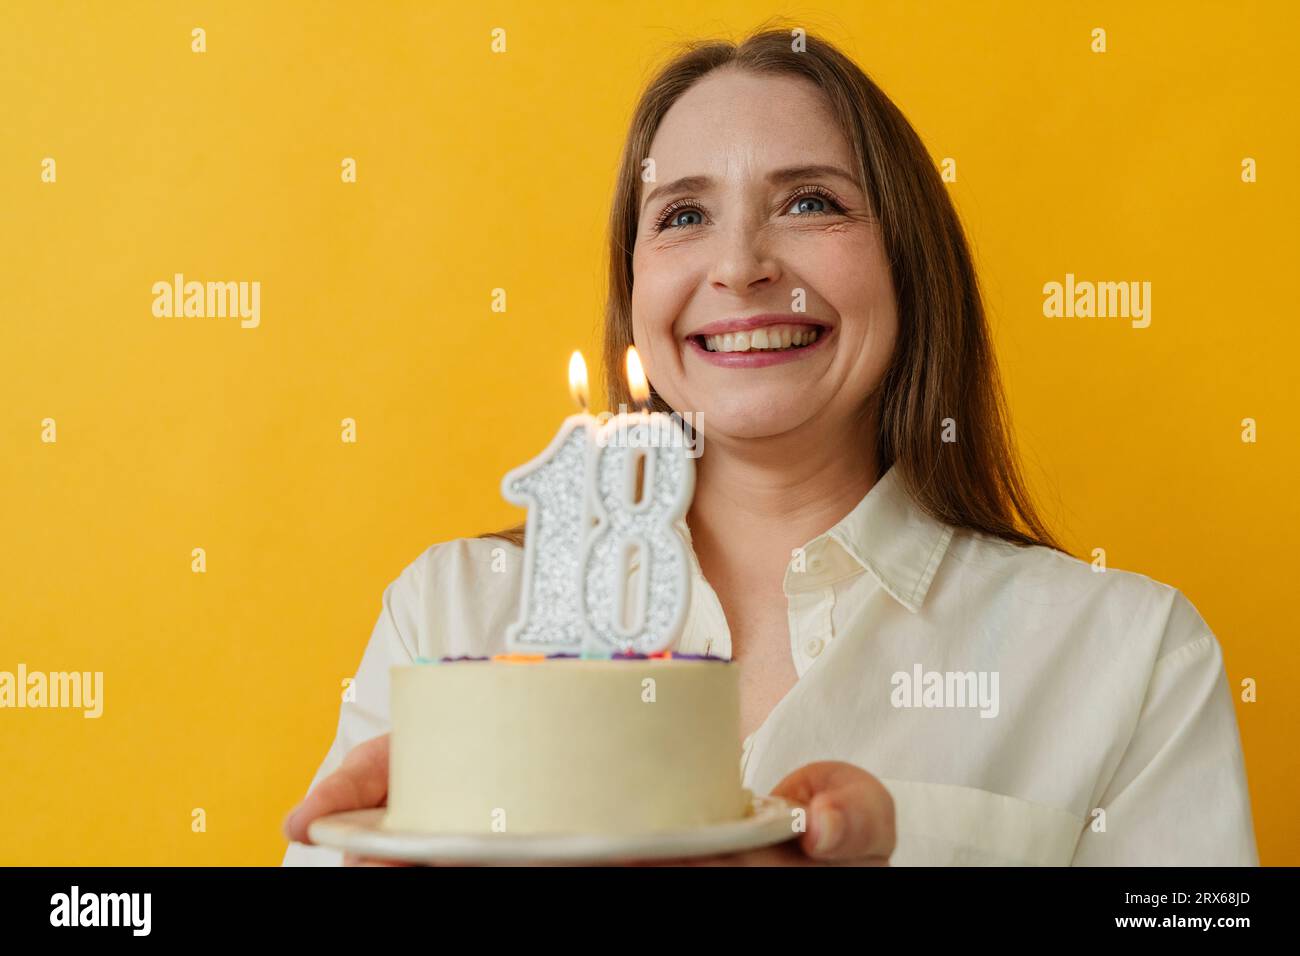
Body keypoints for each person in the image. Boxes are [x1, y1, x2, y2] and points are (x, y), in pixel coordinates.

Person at [282, 27, 1257, 866]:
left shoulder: (1128, 655)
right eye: (683, 215)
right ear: (635, 293)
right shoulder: (450, 612)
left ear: (909, 265)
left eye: (809, 203)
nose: (741, 266)